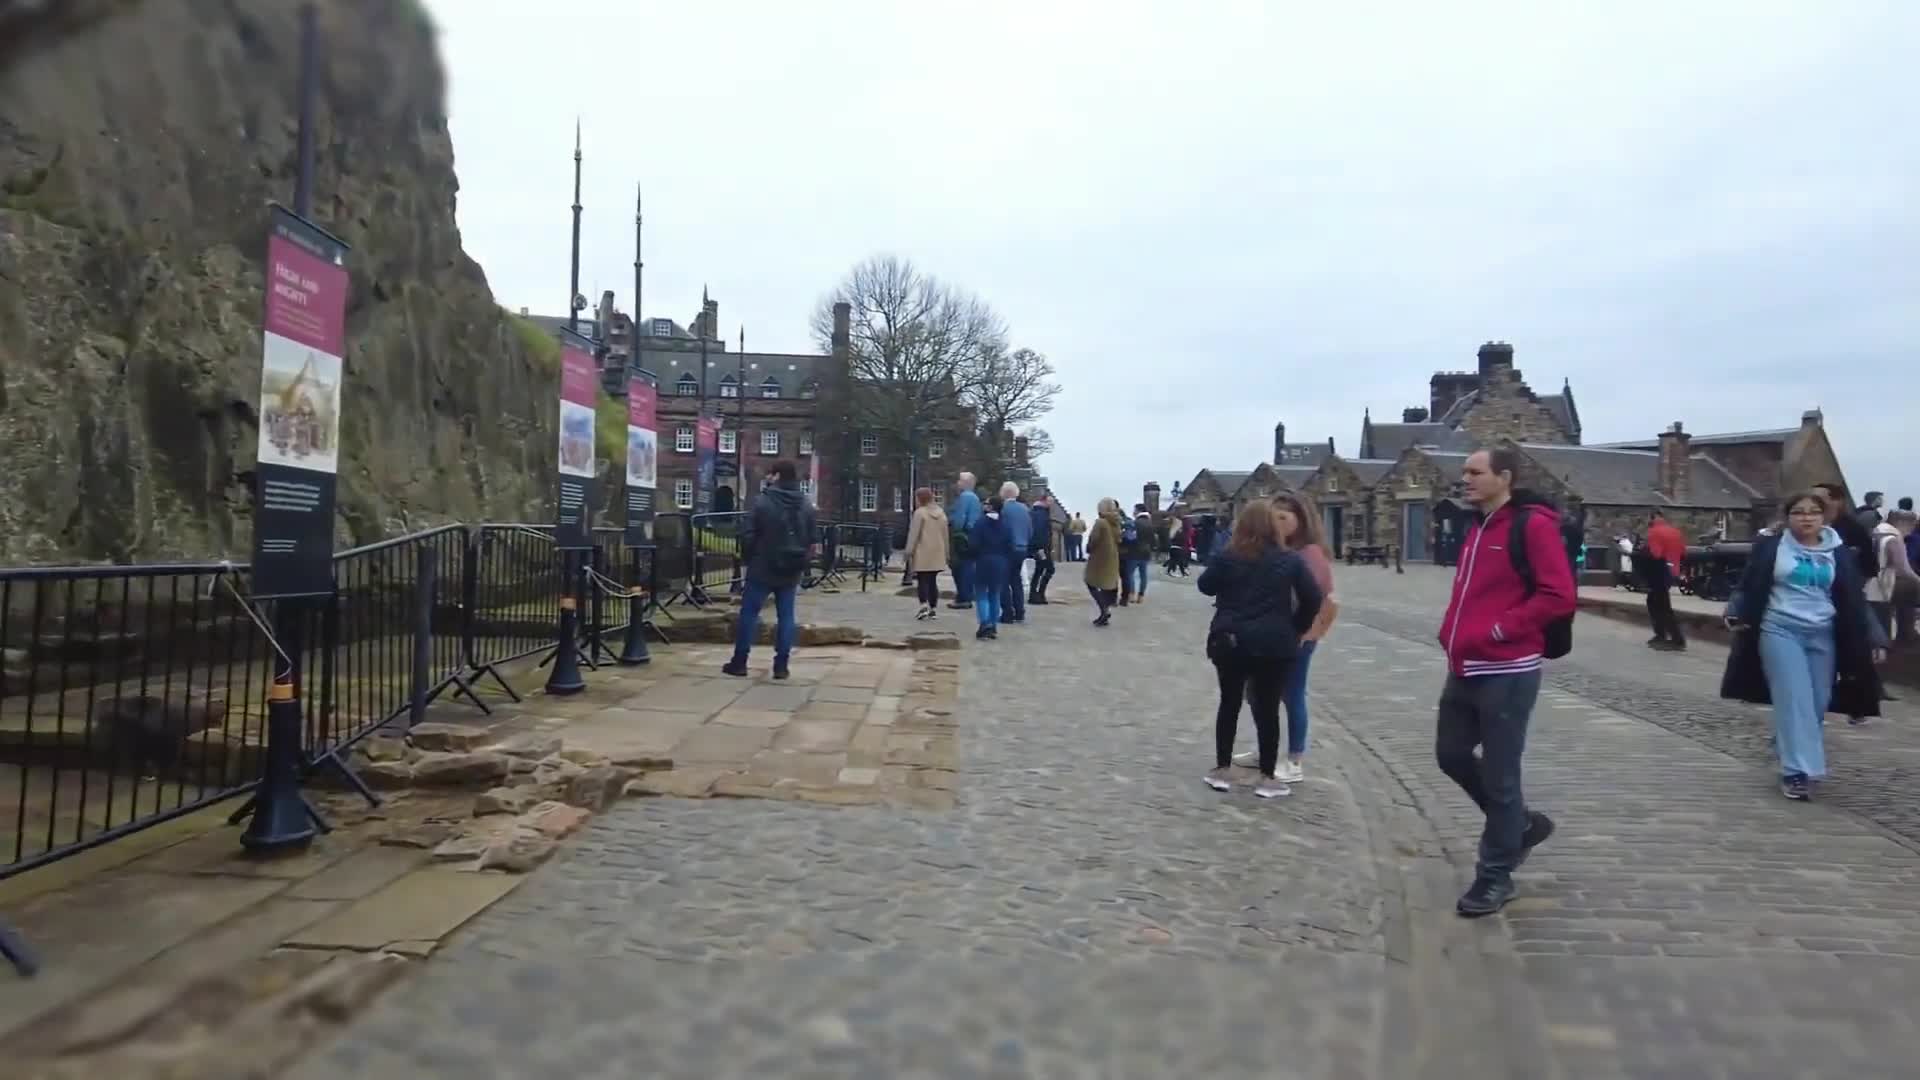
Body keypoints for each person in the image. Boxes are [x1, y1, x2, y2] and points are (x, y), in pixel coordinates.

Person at [1434, 448, 1575, 917]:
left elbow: (1558, 594)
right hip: (1465, 667)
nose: (1466, 479)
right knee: (1451, 755)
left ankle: (1495, 875)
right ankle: (1517, 828)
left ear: (1505, 477)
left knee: (1501, 774)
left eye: (1476, 472)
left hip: (1508, 671)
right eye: (1464, 472)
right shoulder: (1476, 527)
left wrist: (1499, 630)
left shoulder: (1531, 525)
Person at [1720, 490, 1888, 799]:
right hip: (1780, 628)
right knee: (1794, 697)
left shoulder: (1838, 551)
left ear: (1824, 517)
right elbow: (1749, 582)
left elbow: (1853, 596)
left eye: (1813, 512)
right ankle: (1796, 773)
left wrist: (1875, 636)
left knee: (1818, 701)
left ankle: (1788, 746)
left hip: (1822, 631)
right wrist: (1735, 609)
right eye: (1798, 512)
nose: (1806, 517)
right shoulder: (1772, 547)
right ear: (1788, 517)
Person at [1198, 498, 1324, 799]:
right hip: (1274, 642)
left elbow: (1205, 585)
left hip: (1231, 641)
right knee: (1268, 709)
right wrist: (1297, 628)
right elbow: (1313, 597)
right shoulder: (1290, 560)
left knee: (1229, 703)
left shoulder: (1228, 557)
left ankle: (1222, 770)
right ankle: (1267, 776)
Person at [1232, 492, 1336, 783]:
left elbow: (1324, 601)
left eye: (1283, 518)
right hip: (1269, 634)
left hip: (1296, 637)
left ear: (1300, 520)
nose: (1276, 523)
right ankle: (1264, 748)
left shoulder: (1309, 555)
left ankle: (1294, 760)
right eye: (1273, 517)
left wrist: (1308, 634)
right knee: (1256, 693)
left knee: (1292, 694)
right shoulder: (1275, 551)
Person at [723, 460, 817, 680]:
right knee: (786, 617)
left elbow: (748, 535)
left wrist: (750, 558)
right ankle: (781, 666)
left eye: (770, 474)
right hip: (792, 568)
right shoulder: (805, 504)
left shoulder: (762, 502)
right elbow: (813, 541)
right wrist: (803, 559)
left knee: (749, 615)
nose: (768, 477)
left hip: (762, 566)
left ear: (776, 476)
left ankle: (740, 662)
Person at [1865, 509, 1920, 642]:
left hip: (1869, 583)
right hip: (1883, 585)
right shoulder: (1893, 539)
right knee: (1911, 588)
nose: (1911, 531)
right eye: (1911, 526)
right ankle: (1905, 636)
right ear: (1901, 522)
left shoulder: (1875, 532)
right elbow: (1903, 569)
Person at [967, 494, 1016, 640]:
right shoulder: (1006, 524)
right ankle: (993, 625)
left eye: (986, 503)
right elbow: (1011, 545)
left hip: (984, 560)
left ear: (991, 506)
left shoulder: (981, 523)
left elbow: (973, 544)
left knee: (981, 593)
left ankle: (984, 623)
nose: (984, 505)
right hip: (1001, 562)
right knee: (995, 594)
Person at [1644, 510, 1688, 651]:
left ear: (1653, 517)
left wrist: (1644, 551)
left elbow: (1656, 554)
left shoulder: (1653, 532)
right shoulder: (1675, 531)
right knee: (1654, 601)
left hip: (1660, 571)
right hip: (1672, 571)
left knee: (1662, 605)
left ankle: (1676, 639)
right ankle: (1661, 634)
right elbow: (1683, 552)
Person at [1812, 482, 1874, 581]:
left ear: (1837, 501)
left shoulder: (1853, 529)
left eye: (1818, 499)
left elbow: (1868, 564)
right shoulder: (1811, 529)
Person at [904, 487, 949, 621]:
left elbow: (914, 534)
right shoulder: (941, 514)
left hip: (923, 551)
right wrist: (946, 553)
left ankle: (923, 606)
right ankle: (933, 609)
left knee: (922, 580)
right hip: (938, 551)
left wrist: (908, 551)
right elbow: (945, 535)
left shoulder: (920, 513)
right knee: (932, 581)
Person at [1083, 498, 1123, 626]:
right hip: (1112, 557)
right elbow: (1119, 539)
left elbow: (1093, 539)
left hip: (1099, 557)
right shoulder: (1116, 522)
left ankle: (1104, 610)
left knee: (1090, 582)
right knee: (1104, 584)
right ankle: (1104, 611)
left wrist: (1089, 548)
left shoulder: (1101, 522)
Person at [947, 472, 982, 610]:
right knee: (966, 566)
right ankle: (964, 596)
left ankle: (964, 597)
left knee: (960, 567)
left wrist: (952, 526)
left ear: (966, 483)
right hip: (972, 536)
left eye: (959, 480)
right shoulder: (974, 498)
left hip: (963, 536)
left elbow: (959, 519)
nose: (957, 483)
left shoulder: (965, 497)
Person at [999, 481, 1031, 624]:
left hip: (1007, 549)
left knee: (1003, 581)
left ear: (1004, 493)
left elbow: (1000, 530)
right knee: (1016, 580)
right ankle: (1020, 612)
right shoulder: (1025, 509)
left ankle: (1007, 614)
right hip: (1022, 548)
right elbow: (1030, 530)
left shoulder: (1003, 509)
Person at [1119, 508, 1153, 606]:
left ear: (1138, 511)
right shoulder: (1151, 524)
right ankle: (1141, 596)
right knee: (1143, 575)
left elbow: (1129, 538)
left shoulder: (1134, 523)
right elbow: (1153, 540)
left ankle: (1132, 594)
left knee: (1130, 574)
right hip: (1146, 552)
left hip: (1134, 552)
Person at [1028, 496, 1056, 604]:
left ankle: (1035, 594)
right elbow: (1039, 532)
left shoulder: (1037, 512)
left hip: (1041, 547)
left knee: (1039, 570)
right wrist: (1041, 548)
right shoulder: (1041, 514)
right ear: (1043, 501)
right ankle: (1038, 594)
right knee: (1049, 569)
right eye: (1049, 502)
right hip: (1041, 548)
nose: (1051, 504)